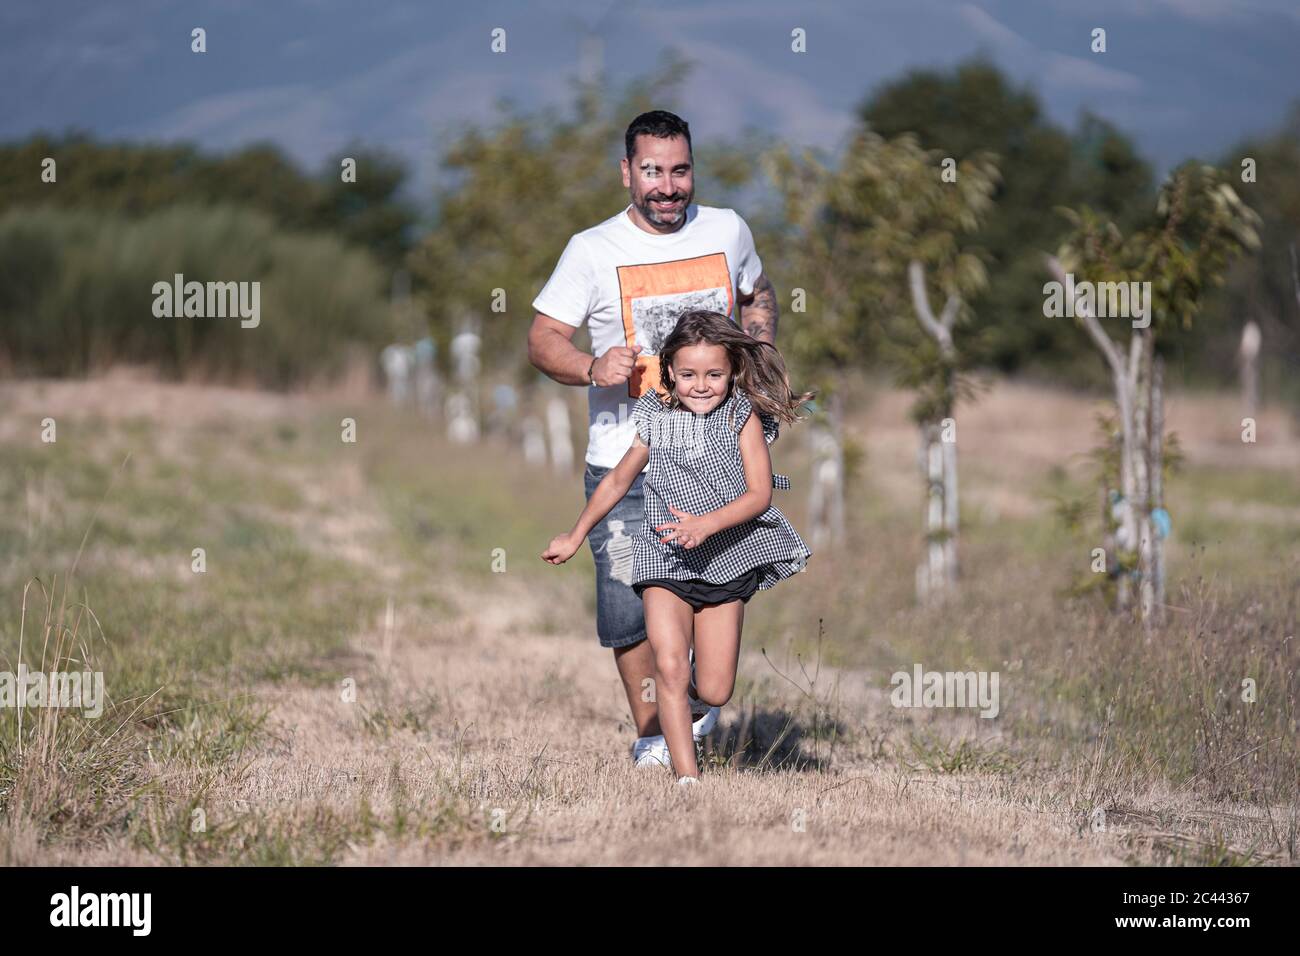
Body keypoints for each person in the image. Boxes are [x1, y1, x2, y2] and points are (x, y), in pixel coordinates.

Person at [528, 110, 783, 768]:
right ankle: (652, 732)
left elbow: (757, 290)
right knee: (626, 613)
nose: (668, 186)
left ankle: (689, 703)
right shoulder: (592, 249)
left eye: (679, 170)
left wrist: (758, 353)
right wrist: (589, 367)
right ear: (626, 174)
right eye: (652, 172)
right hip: (624, 458)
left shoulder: (727, 229)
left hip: (715, 462)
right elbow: (541, 339)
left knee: (712, 590)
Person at [543, 310, 813, 783]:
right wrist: (576, 532)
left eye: (714, 374)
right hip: (661, 554)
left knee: (714, 689)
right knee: (667, 667)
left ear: (732, 372)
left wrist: (707, 525)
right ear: (668, 371)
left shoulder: (741, 417)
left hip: (725, 559)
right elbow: (618, 480)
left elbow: (759, 493)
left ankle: (689, 698)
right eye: (688, 374)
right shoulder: (654, 415)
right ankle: (687, 781)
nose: (701, 385)